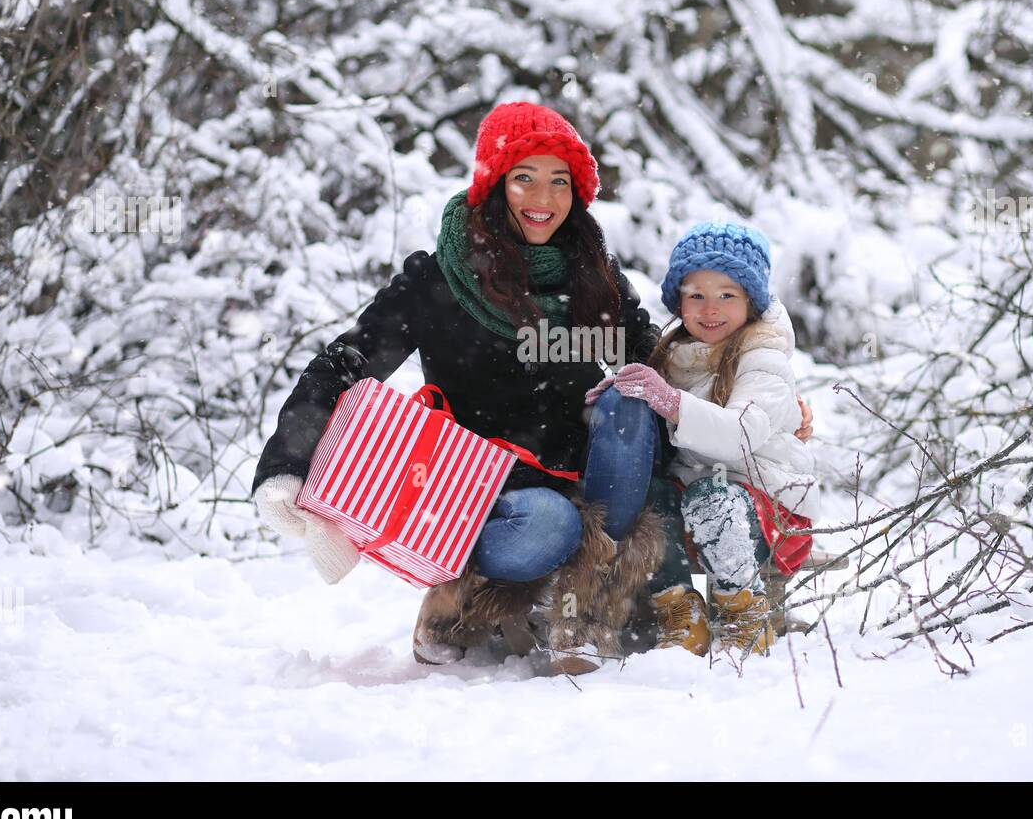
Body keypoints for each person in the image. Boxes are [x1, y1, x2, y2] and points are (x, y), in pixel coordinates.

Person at [252, 101, 664, 674]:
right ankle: (461, 599)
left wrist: (745, 386)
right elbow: (345, 361)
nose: (543, 200)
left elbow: (659, 359)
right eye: (525, 179)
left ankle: (586, 608)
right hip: (473, 496)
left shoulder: (592, 275)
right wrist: (286, 463)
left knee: (634, 402)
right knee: (551, 524)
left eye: (559, 182)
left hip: (582, 475)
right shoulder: (439, 279)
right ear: (495, 186)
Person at [585, 222, 823, 658]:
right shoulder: (677, 351)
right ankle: (680, 610)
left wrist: (670, 401)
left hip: (772, 510)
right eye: (696, 295)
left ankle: (742, 608)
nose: (710, 309)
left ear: (752, 300)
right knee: (650, 497)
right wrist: (625, 394)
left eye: (727, 295)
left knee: (714, 497)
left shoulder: (763, 357)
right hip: (701, 497)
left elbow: (740, 435)